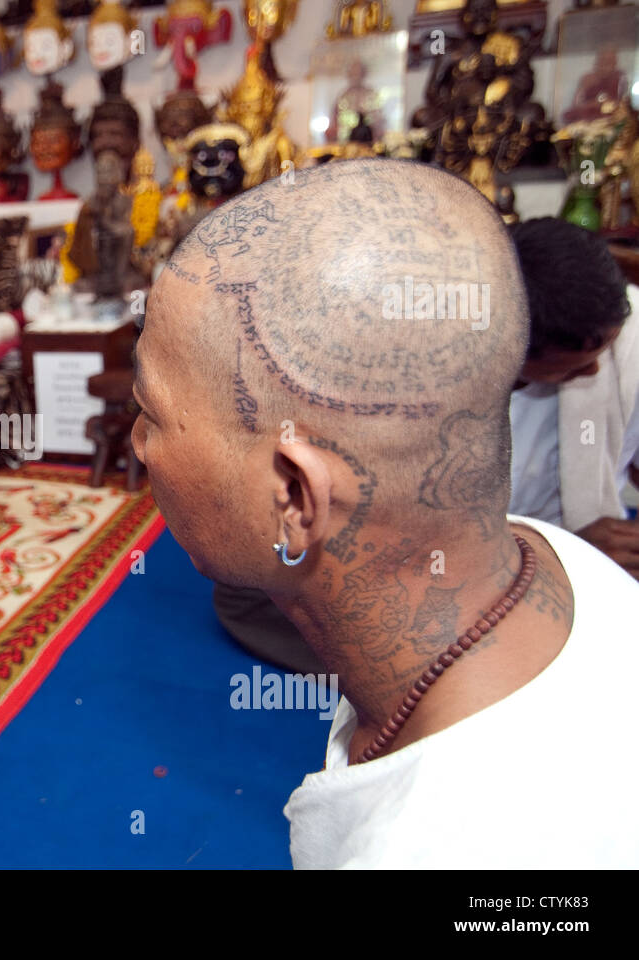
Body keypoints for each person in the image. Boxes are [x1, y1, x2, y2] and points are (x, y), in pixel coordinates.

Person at [132, 158, 639, 868]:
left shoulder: (434, 853)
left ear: (295, 497)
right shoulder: (561, 558)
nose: (139, 446)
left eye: (151, 413)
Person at [508, 217, 639, 578]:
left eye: (603, 353)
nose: (595, 372)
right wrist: (567, 549)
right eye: (571, 368)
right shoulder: (423, 386)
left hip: (605, 561)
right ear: (510, 351)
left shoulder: (630, 339)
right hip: (490, 572)